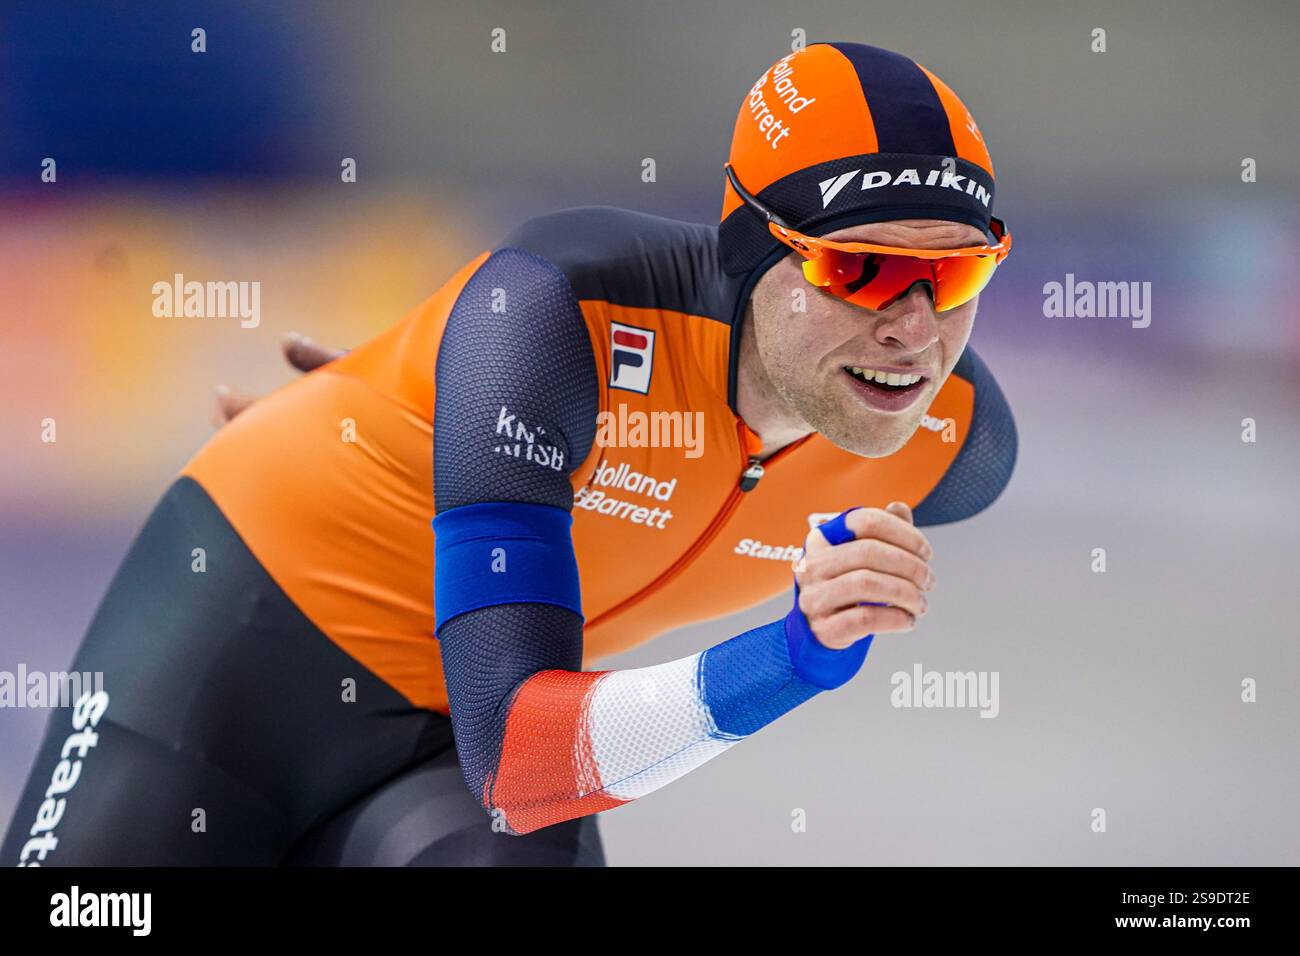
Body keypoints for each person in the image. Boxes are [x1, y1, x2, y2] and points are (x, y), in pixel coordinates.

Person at [4, 41, 1016, 866]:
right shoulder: (564, 316)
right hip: (232, 665)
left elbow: (515, 782)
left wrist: (435, 411)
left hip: (450, 747)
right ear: (753, 247)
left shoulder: (955, 448)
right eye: (862, 267)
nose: (914, 330)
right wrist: (794, 656)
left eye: (957, 271)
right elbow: (524, 759)